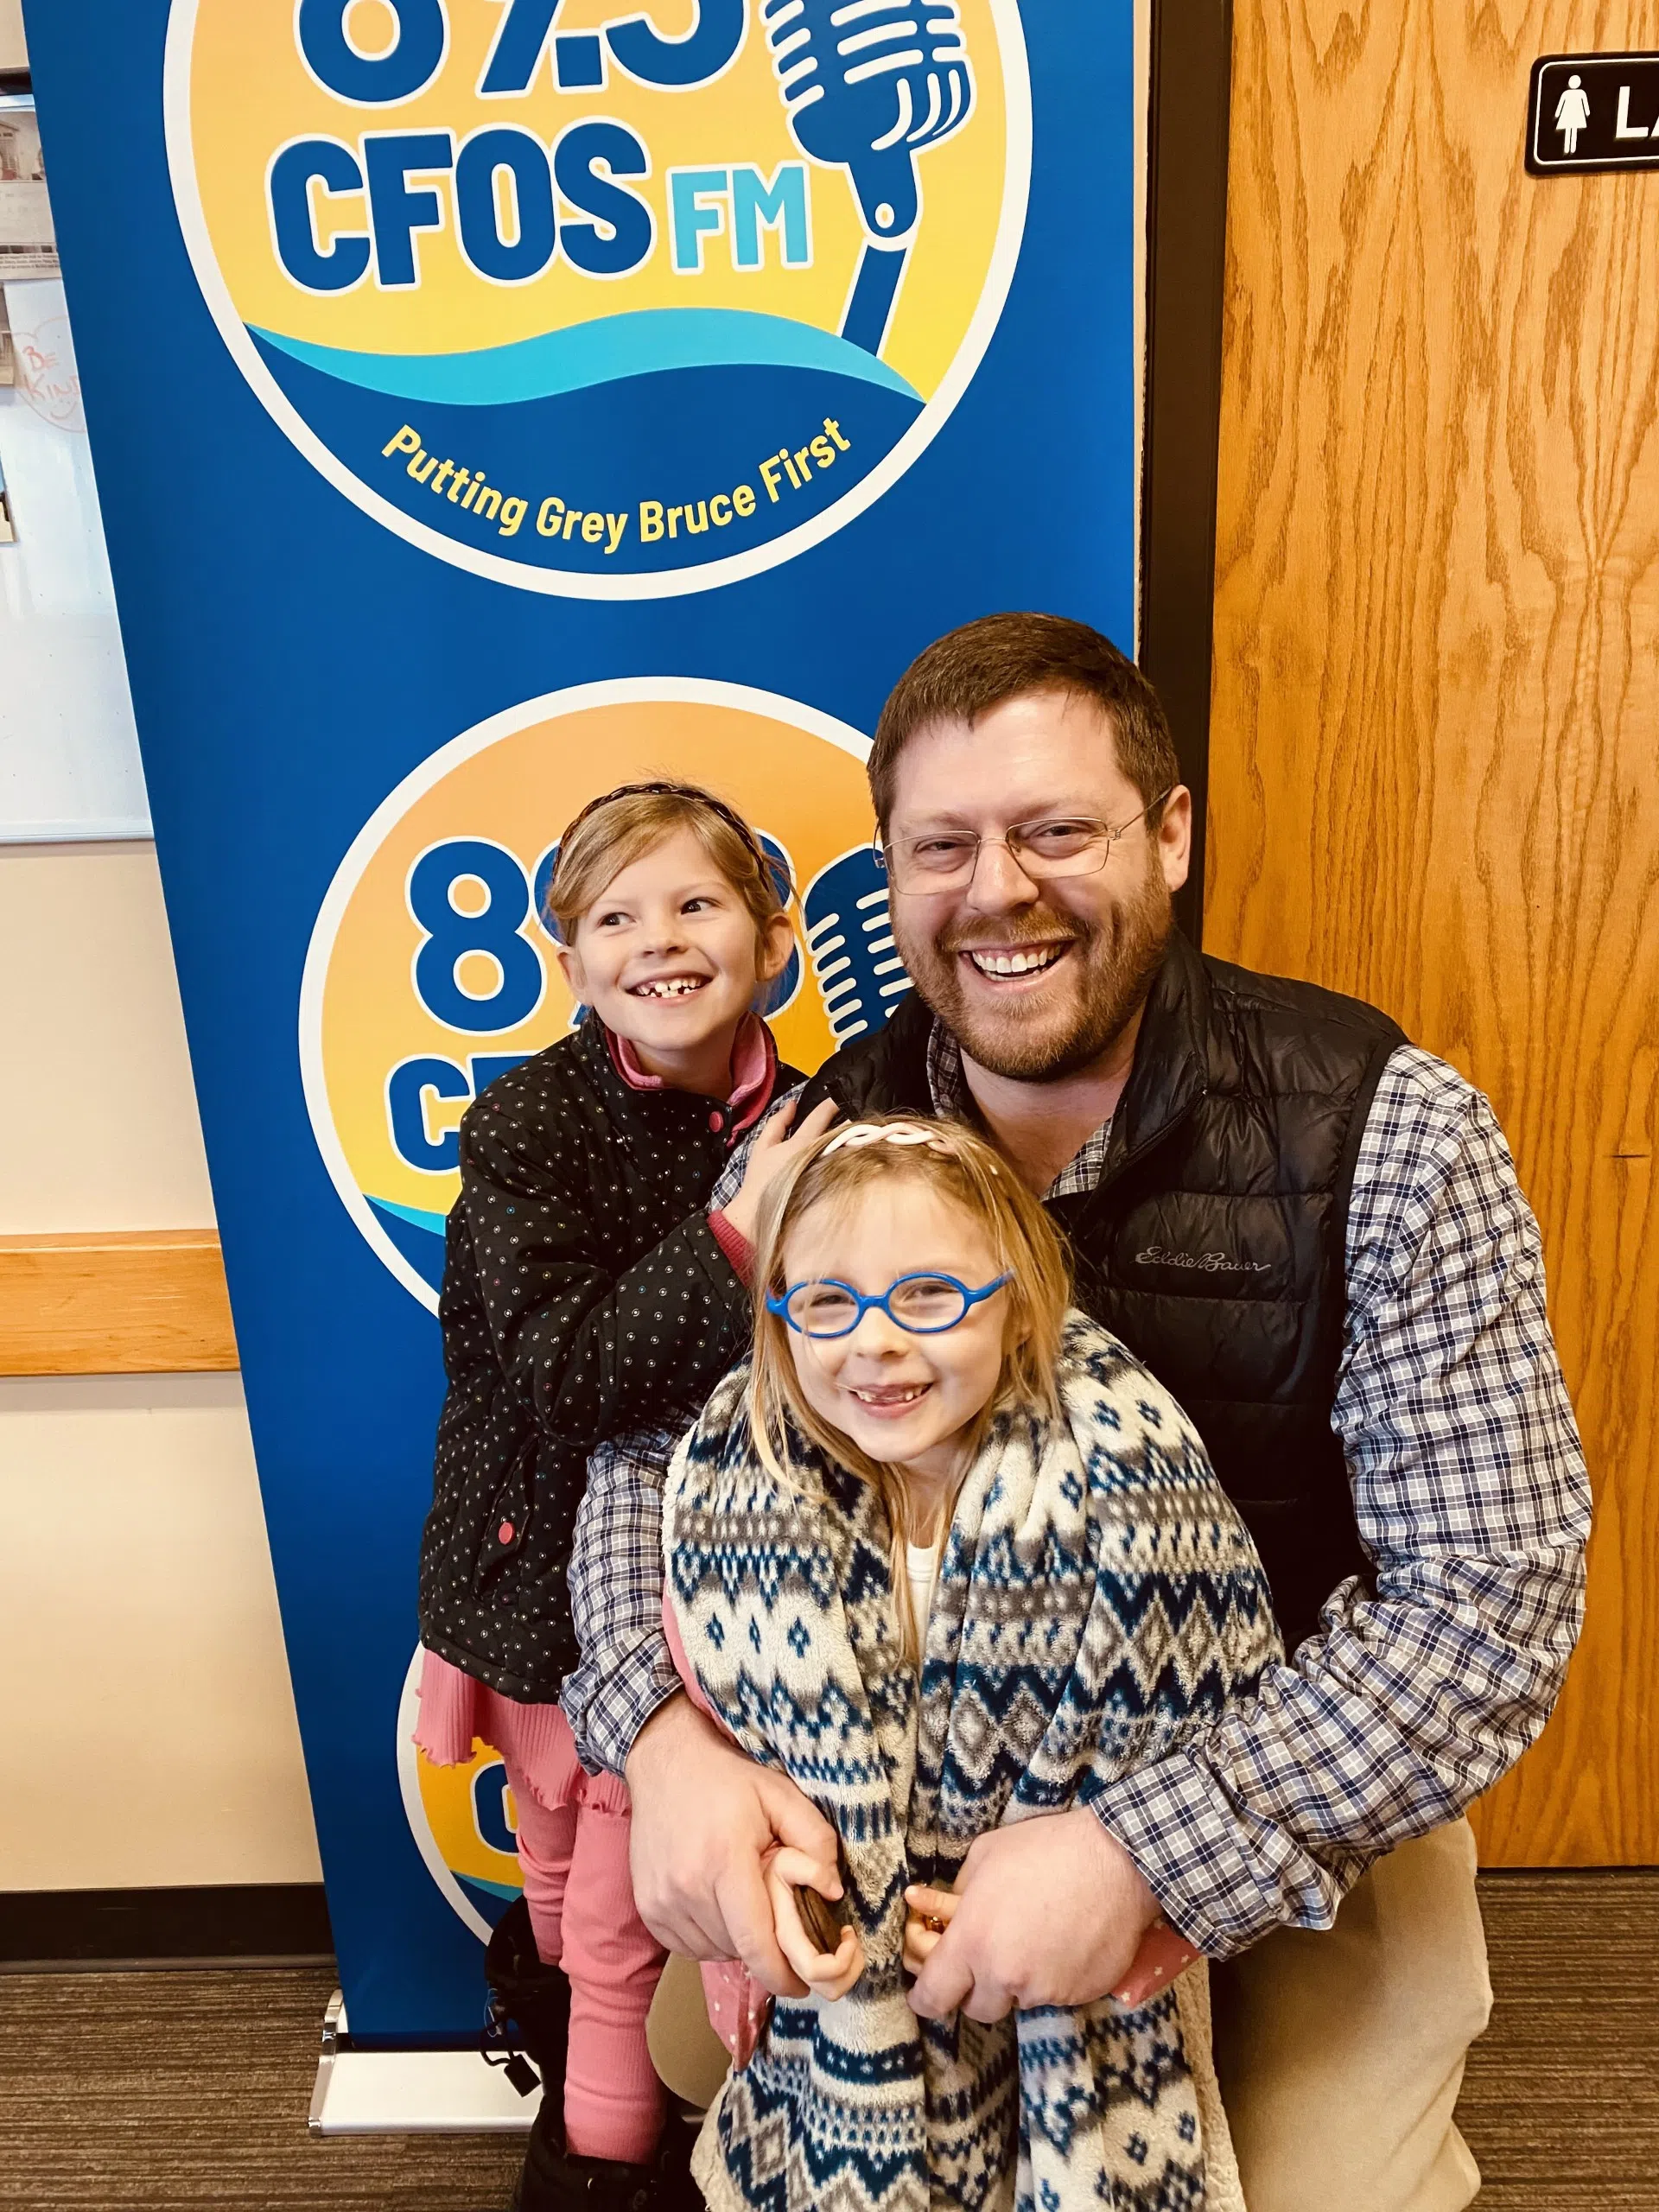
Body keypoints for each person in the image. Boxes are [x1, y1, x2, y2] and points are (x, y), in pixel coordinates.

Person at [561, 616, 1593, 2212]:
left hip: (1282, 1778)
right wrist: (667, 1741)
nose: (998, 893)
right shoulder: (824, 1137)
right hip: (890, 1777)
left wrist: (1145, 1851)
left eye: (1056, 831)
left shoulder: (1385, 1132)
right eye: (942, 848)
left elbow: (1489, 1599)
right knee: (720, 2075)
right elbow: (643, 1462)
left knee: (1316, 2192)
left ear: (1167, 836)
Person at [660, 1113, 1276, 2212]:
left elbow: (1216, 1690)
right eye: (828, 1303)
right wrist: (772, 1890)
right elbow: (729, 1723)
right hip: (837, 1977)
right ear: (780, 1315)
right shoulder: (743, 1484)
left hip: (1077, 1962)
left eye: (931, 1297)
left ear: (1018, 1303)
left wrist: (1117, 1878)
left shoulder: (1129, 1480)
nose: (875, 1343)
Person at [411, 780, 834, 2212]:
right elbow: (566, 1376)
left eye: (697, 903)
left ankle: (611, 2123)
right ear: (570, 963)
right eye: (615, 918)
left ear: (773, 939)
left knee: (622, 1909)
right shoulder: (525, 1125)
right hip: (541, 1570)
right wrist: (735, 1234)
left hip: (714, 1578)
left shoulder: (820, 1113)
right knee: (560, 1862)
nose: (659, 939)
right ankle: (587, 2134)